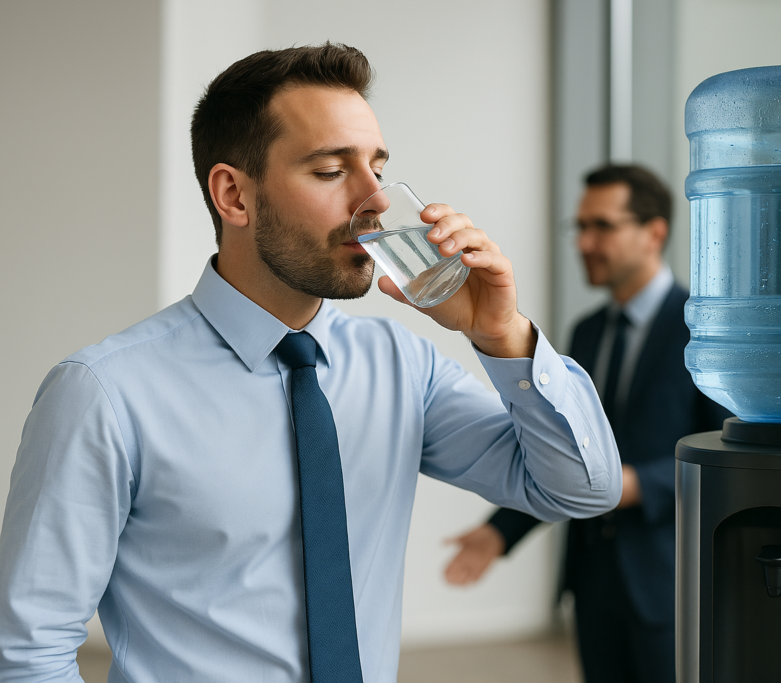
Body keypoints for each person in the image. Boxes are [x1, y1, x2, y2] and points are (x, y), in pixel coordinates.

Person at [0, 44, 622, 683]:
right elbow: (28, 651)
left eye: (378, 168)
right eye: (330, 171)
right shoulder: (104, 393)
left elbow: (580, 489)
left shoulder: (402, 366)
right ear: (233, 196)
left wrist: (505, 336)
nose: (375, 200)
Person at [444, 164, 731, 683]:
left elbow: (733, 455)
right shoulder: (587, 331)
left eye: (602, 226)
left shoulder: (705, 331)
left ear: (655, 233)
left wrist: (640, 485)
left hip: (672, 584)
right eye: (580, 227)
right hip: (594, 584)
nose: (585, 242)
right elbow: (559, 446)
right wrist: (499, 531)